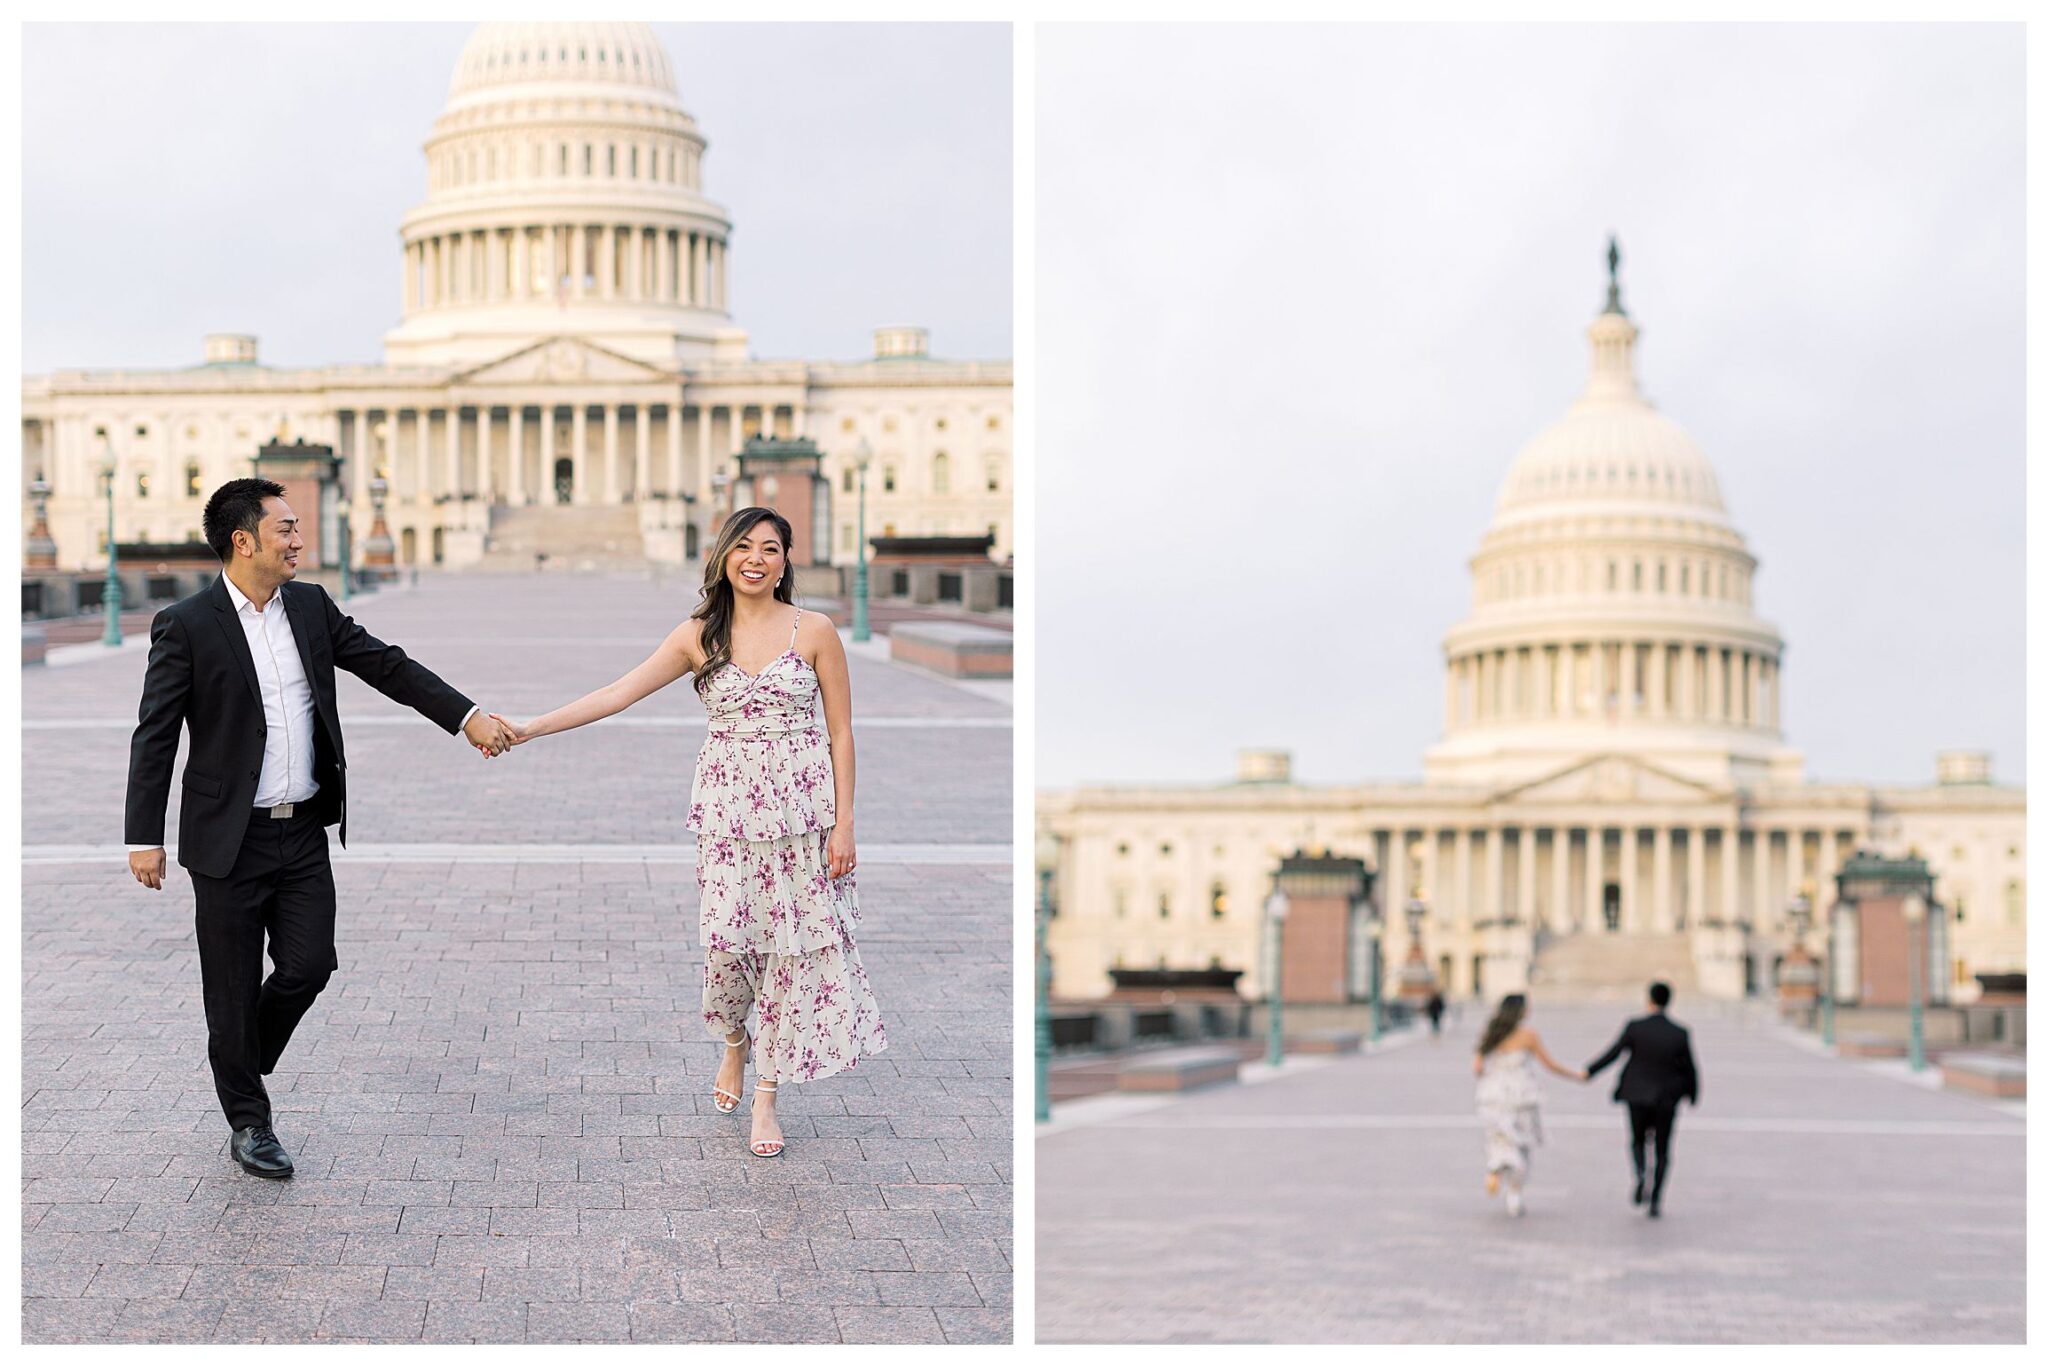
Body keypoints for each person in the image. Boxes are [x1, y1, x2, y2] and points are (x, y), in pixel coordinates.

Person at [125, 479, 512, 1179]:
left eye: (298, 529)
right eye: (286, 530)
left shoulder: (309, 607)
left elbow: (387, 666)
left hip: (301, 828)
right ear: (244, 541)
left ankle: (239, 1056)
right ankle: (249, 1120)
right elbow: (155, 735)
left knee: (309, 965)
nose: (299, 541)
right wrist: (142, 835)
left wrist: (467, 717)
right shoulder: (186, 624)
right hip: (226, 840)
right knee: (231, 987)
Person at [494, 507, 885, 1159]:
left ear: (787, 560)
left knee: (790, 958)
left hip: (798, 824)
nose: (755, 559)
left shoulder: (814, 631)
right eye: (744, 547)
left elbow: (842, 731)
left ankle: (767, 1096)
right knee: (729, 953)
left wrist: (845, 825)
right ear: (724, 556)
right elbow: (619, 693)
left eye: (770, 548)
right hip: (728, 821)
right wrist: (531, 726)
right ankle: (735, 1043)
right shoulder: (699, 634)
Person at [1585, 980, 1699, 1219]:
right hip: (1666, 1098)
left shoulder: (1635, 1027)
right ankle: (1656, 1198)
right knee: (1663, 1149)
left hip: (1636, 1094)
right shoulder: (1679, 1032)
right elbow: (1690, 1067)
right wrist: (1693, 1093)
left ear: (1649, 1000)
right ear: (1669, 1001)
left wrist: (1590, 1070)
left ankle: (1639, 1175)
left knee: (1637, 1141)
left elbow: (1614, 1053)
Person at [1472, 993, 1587, 1216]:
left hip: (1494, 1093)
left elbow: (1476, 1067)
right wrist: (1575, 1075)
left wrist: (1492, 1074)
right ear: (1520, 1011)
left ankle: (1497, 1166)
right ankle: (1514, 1196)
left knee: (1500, 1139)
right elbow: (1549, 1064)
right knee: (1522, 1144)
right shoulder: (1528, 1036)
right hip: (1522, 1094)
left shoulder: (1491, 1033)